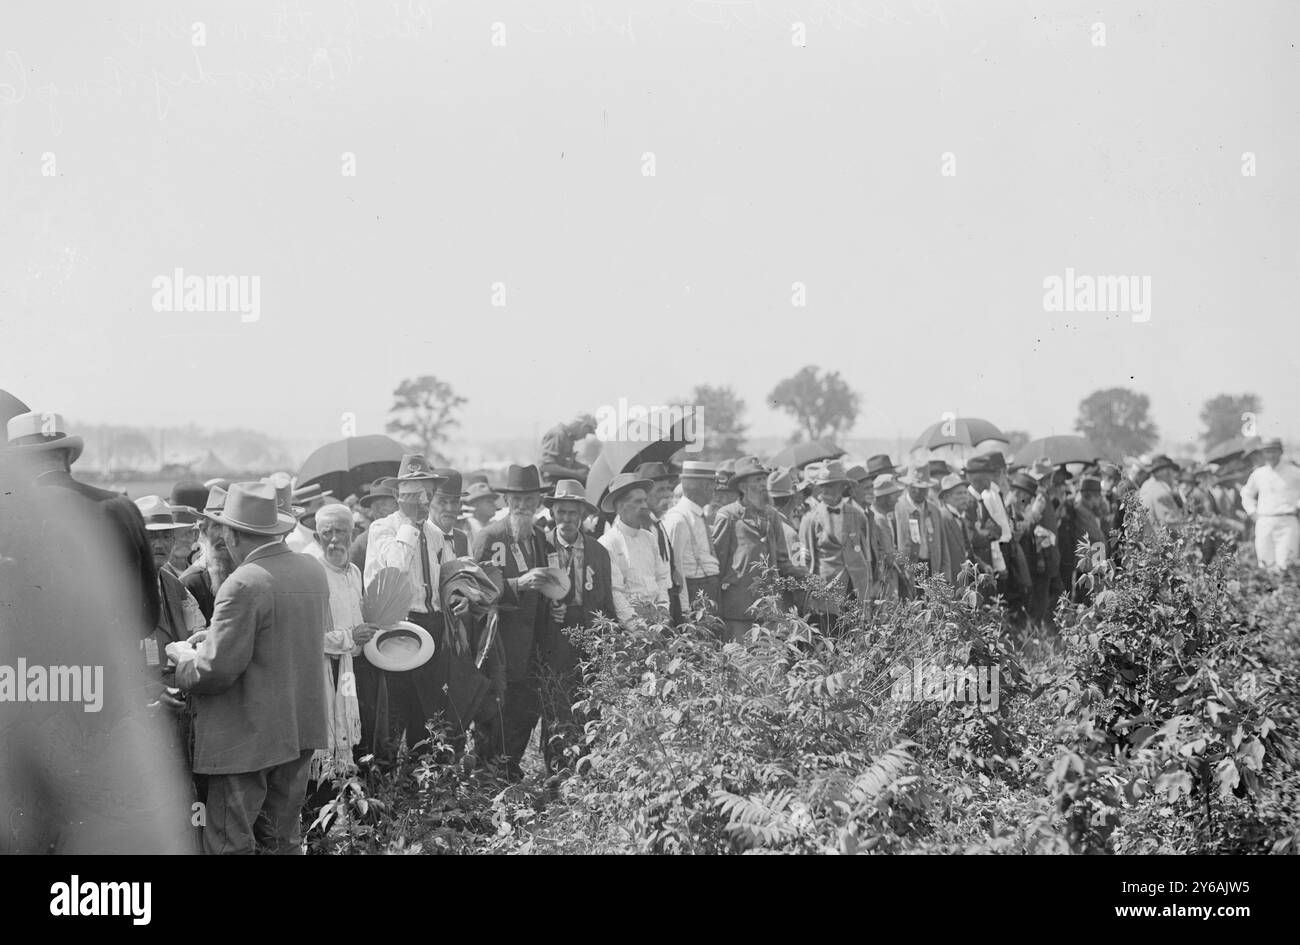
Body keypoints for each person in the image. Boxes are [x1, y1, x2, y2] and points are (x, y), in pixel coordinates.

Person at [167, 482, 329, 855]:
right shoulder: (310, 570)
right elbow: (282, 633)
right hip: (297, 730)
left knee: (229, 841)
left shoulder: (243, 582)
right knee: (282, 838)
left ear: (234, 534)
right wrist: (213, 634)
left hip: (245, 739)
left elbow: (216, 670)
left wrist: (183, 663)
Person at [5, 410, 159, 636]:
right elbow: (148, 612)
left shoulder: (12, 514)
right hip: (117, 661)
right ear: (68, 457)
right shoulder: (123, 507)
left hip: (38, 664)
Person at [471, 463, 552, 778]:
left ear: (537, 502)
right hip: (499, 645)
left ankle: (509, 768)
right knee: (494, 712)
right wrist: (518, 584)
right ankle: (484, 775)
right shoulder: (491, 537)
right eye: (516, 500)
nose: (522, 506)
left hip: (532, 644)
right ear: (506, 501)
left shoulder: (540, 538)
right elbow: (476, 589)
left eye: (528, 499)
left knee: (525, 710)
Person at [538, 480, 616, 773]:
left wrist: (606, 637)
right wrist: (549, 609)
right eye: (561, 512)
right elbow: (532, 593)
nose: (567, 519)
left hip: (587, 632)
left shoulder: (597, 550)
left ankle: (586, 768)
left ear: (582, 514)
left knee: (586, 701)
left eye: (573, 513)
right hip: (552, 634)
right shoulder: (541, 544)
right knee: (554, 702)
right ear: (553, 513)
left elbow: (606, 599)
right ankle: (556, 771)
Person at [308, 504, 377, 783]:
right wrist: (350, 637)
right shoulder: (312, 574)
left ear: (353, 535)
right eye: (327, 533)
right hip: (326, 671)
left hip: (353, 668)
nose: (334, 540)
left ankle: (354, 811)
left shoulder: (355, 571)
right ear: (316, 537)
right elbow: (308, 636)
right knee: (326, 745)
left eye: (341, 532)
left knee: (354, 739)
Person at [711, 457, 807, 642]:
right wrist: (717, 608)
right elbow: (719, 565)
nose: (764, 484)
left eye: (764, 479)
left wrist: (806, 578)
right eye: (757, 480)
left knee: (770, 662)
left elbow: (782, 560)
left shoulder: (772, 515)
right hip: (738, 609)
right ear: (742, 487)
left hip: (769, 608)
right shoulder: (728, 516)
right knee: (740, 662)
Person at [799, 460, 879, 630]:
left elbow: (867, 558)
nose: (827, 491)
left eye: (832, 486)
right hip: (826, 594)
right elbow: (804, 562)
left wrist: (869, 589)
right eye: (824, 486)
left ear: (842, 487)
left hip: (855, 589)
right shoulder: (810, 519)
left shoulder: (857, 516)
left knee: (854, 643)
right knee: (828, 641)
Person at [598, 473, 671, 631]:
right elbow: (616, 593)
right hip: (631, 629)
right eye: (637, 501)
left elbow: (661, 579)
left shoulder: (649, 538)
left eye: (645, 500)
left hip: (657, 623)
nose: (645, 506)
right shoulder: (608, 543)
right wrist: (639, 629)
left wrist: (663, 618)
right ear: (620, 507)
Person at [660, 460, 721, 614]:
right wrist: (685, 608)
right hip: (695, 591)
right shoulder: (679, 519)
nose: (715, 489)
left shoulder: (698, 514)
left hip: (709, 588)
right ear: (705, 486)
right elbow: (675, 567)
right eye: (712, 483)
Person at [635, 462, 688, 624]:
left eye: (668, 489)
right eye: (660, 490)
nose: (667, 495)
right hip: (652, 602)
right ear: (644, 494)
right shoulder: (640, 524)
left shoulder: (658, 522)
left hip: (669, 597)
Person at [893, 464, 959, 585]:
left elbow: (943, 545)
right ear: (907, 486)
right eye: (914, 487)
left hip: (932, 567)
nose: (918, 491)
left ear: (928, 488)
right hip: (908, 571)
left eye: (923, 488)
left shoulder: (934, 510)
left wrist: (946, 574)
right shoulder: (898, 509)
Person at [1240, 438, 1300, 569]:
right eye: (1267, 452)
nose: (1270, 455)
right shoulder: (1259, 474)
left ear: (1281, 452)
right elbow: (1246, 493)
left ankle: (1285, 589)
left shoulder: (1294, 472)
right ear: (1263, 454)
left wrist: (1297, 505)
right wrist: (1252, 512)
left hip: (1287, 521)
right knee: (1265, 564)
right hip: (1264, 522)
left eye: (1274, 451)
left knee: (1286, 564)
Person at [181, 486, 232, 624]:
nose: (223, 535)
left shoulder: (253, 578)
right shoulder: (191, 584)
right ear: (204, 531)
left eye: (229, 527)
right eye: (216, 526)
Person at [350, 478, 397, 571]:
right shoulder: (361, 543)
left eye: (383, 504)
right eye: (375, 505)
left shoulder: (411, 533)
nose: (379, 510)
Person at [540, 413, 597, 485]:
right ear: (583, 427)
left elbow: (565, 464)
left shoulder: (568, 438)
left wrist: (587, 469)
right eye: (586, 433)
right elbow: (545, 466)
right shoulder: (558, 434)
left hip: (561, 485)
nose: (584, 437)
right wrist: (576, 474)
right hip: (553, 488)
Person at [1138, 455, 1186, 530]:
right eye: (1172, 471)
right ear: (1166, 471)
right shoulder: (1162, 492)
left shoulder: (1146, 485)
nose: (1174, 475)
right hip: (1160, 539)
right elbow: (1172, 526)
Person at [433, 468, 471, 556]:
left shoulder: (462, 539)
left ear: (460, 505)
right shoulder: (421, 537)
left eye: (454, 502)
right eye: (442, 502)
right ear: (429, 502)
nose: (449, 508)